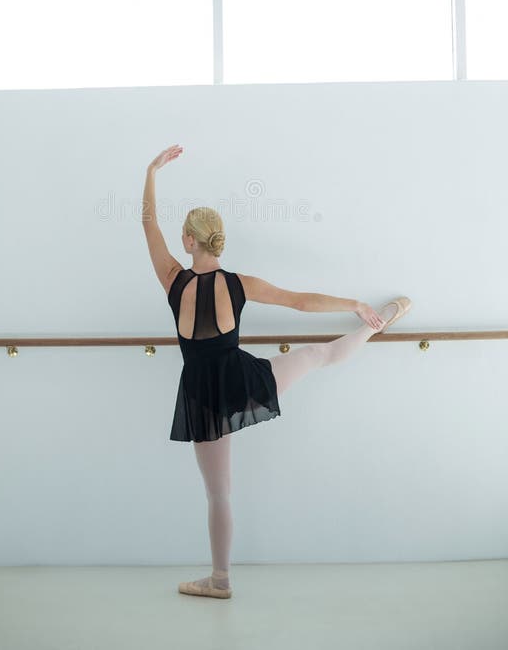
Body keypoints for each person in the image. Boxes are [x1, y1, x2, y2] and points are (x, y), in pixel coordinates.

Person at [142, 144, 412, 600]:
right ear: (217, 239)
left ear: (189, 240)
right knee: (317, 356)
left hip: (201, 396)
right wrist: (355, 305)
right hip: (242, 379)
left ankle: (220, 579)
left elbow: (147, 223)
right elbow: (300, 301)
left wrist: (151, 171)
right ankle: (377, 323)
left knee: (219, 495)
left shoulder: (172, 279)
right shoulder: (239, 283)